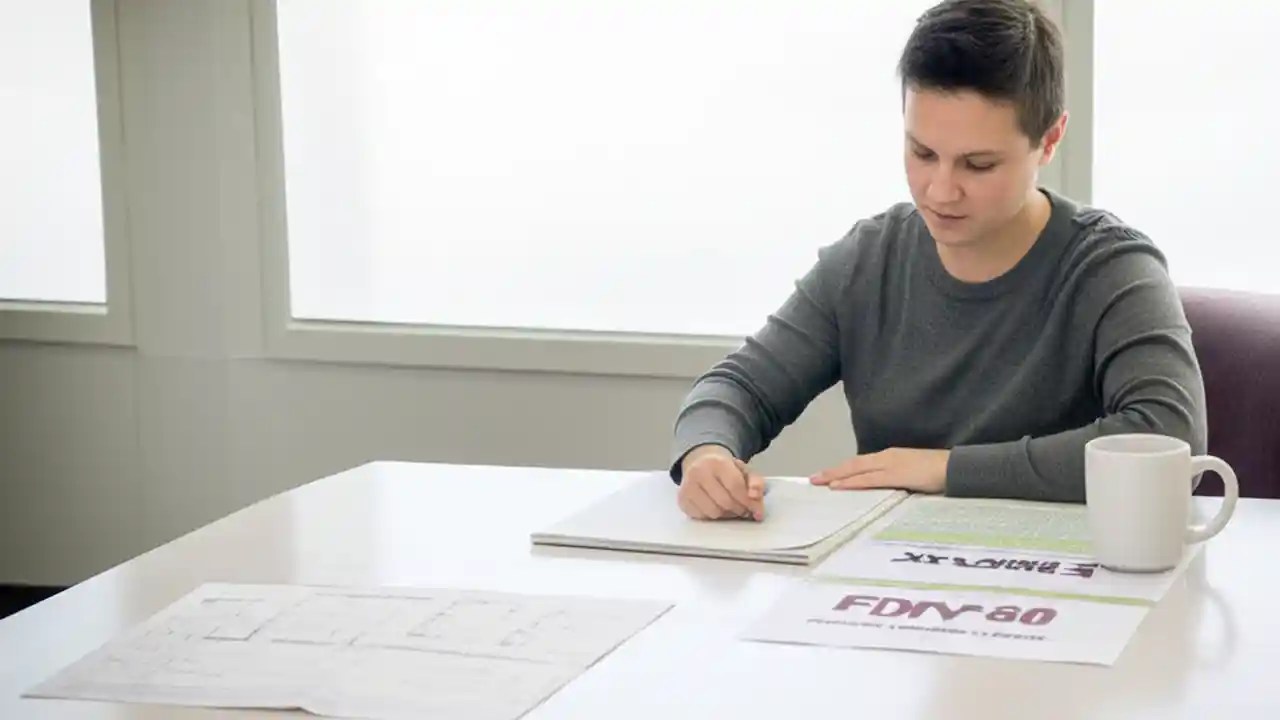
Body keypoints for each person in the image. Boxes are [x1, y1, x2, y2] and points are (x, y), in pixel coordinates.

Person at [668, 0, 1207, 522]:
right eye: (922, 153)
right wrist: (707, 454)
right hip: (892, 585)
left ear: (1049, 140)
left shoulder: (1111, 267)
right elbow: (738, 387)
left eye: (978, 164)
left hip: (1060, 582)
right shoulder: (868, 260)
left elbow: (1168, 439)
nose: (940, 190)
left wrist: (947, 470)